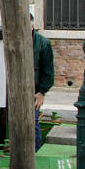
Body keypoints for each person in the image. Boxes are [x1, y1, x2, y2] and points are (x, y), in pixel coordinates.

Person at [32, 14, 53, 150]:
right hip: (10, 89)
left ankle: (36, 152)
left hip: (33, 90)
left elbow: (48, 71)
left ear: (32, 25)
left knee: (32, 122)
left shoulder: (43, 43)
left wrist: (41, 92)